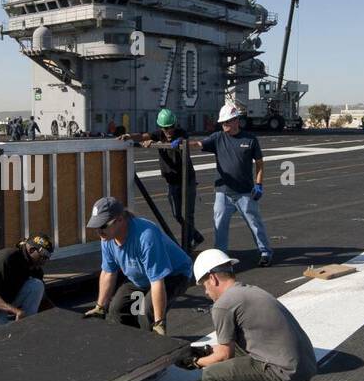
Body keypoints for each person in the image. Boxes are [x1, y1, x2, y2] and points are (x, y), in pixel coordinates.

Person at [184, 248, 317, 381]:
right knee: (236, 344)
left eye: (204, 285)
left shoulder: (223, 305)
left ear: (213, 278)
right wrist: (207, 351)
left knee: (211, 377)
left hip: (288, 375)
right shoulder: (249, 291)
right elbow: (231, 347)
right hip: (305, 365)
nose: (206, 292)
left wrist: (195, 363)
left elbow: (224, 355)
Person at [82, 196, 193, 335]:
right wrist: (100, 307)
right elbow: (108, 272)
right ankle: (129, 346)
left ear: (120, 220)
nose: (99, 232)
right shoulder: (107, 238)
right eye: (96, 227)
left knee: (145, 313)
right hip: (142, 278)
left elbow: (157, 281)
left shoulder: (146, 236)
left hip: (174, 275)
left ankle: (153, 350)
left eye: (103, 226)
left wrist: (159, 322)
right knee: (117, 310)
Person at [197, 102, 272, 267]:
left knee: (255, 224)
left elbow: (259, 163)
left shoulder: (250, 140)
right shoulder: (217, 138)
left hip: (245, 192)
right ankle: (221, 258)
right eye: (222, 122)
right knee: (219, 227)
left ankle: (265, 252)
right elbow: (199, 144)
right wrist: (181, 143)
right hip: (223, 193)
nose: (224, 125)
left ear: (236, 120)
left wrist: (259, 185)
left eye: (227, 121)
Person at [125, 108, 203, 246]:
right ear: (161, 127)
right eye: (165, 128)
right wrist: (129, 136)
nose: (168, 131)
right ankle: (196, 236)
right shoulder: (158, 134)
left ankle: (188, 243)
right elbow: (143, 136)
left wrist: (176, 142)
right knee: (177, 214)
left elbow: (184, 138)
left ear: (175, 125)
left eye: (170, 127)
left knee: (187, 214)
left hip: (187, 180)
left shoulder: (180, 133)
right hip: (172, 181)